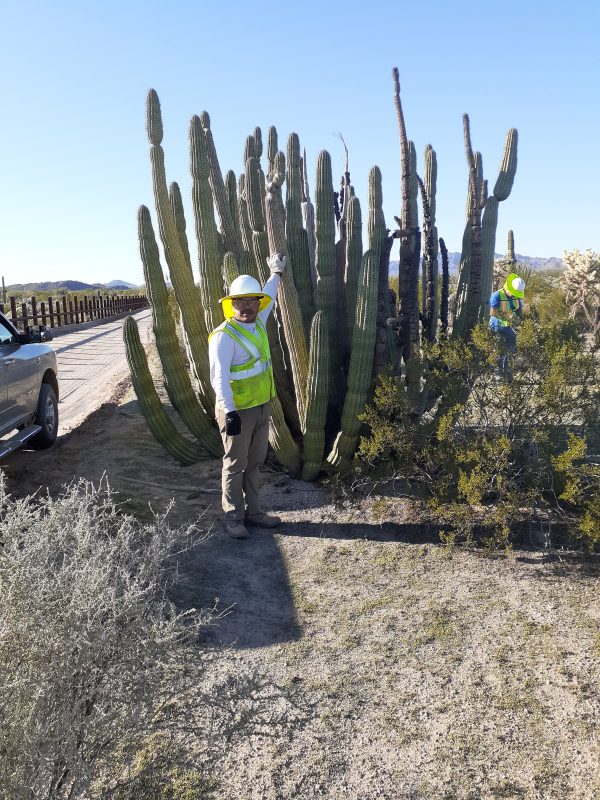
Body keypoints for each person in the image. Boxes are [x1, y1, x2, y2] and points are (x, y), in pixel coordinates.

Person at [208, 253, 287, 539]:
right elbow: (218, 378)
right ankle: (234, 518)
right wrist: (229, 413)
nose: (246, 307)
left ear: (257, 303)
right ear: (231, 304)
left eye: (251, 301)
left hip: (262, 406)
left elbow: (270, 296)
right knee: (234, 465)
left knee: (254, 464)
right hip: (237, 411)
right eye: (240, 302)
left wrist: (276, 273)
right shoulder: (224, 336)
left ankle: (254, 513)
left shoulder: (259, 322)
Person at [489, 272, 525, 376]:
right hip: (497, 327)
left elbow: (519, 311)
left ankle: (507, 372)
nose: (513, 294)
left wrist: (521, 322)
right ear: (507, 287)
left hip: (509, 327)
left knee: (510, 349)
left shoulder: (516, 297)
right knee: (499, 350)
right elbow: (492, 312)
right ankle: (498, 374)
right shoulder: (497, 295)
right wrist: (506, 316)